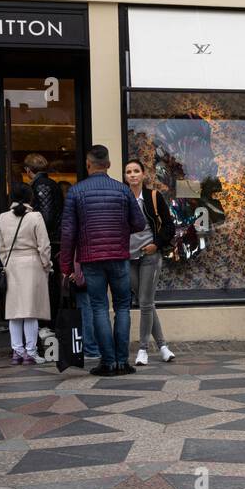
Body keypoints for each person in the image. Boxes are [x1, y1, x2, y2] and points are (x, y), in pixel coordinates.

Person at [59, 144, 146, 377]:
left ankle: (107, 362)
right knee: (122, 308)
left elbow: (67, 233)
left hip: (91, 258)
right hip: (119, 257)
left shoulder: (76, 192)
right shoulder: (123, 190)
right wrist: (120, 228)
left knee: (99, 308)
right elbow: (139, 223)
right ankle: (122, 362)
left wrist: (66, 267)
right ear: (108, 165)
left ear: (88, 165)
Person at [124, 158, 176, 365]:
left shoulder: (153, 197)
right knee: (146, 303)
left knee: (145, 303)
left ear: (143, 174)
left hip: (150, 256)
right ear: (125, 176)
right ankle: (163, 346)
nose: (133, 175)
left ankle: (143, 349)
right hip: (128, 258)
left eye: (136, 171)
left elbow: (169, 227)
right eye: (128, 172)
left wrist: (156, 244)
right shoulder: (123, 197)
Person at [0, 183, 52, 365]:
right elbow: (44, 245)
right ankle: (30, 352)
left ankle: (17, 351)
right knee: (31, 311)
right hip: (32, 265)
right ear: (30, 198)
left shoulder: (2, 218)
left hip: (12, 265)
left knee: (14, 312)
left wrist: (6, 264)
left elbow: (1, 248)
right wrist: (47, 265)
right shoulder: (35, 217)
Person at [23, 153, 64, 326]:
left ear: (28, 170)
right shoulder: (50, 184)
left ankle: (47, 324)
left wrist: (36, 238)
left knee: (47, 284)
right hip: (51, 241)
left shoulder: (41, 186)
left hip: (48, 243)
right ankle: (48, 322)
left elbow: (45, 217)